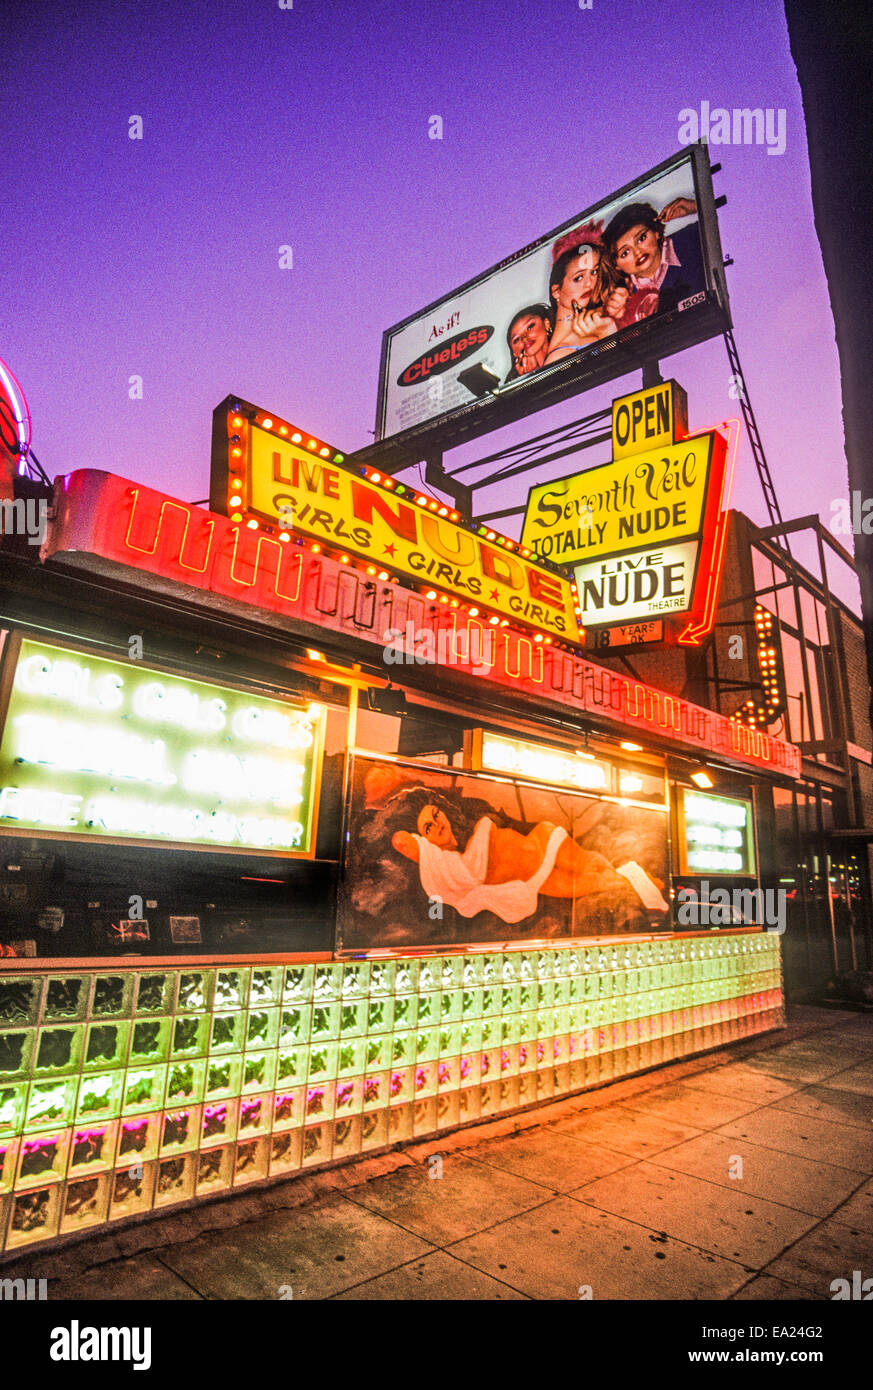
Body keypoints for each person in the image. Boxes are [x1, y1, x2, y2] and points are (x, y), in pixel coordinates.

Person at [390, 792, 669, 925]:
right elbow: (401, 841)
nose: (437, 824)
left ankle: (642, 877)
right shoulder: (445, 868)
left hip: (544, 842)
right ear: (423, 840)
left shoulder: (473, 822)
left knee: (590, 864)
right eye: (427, 827)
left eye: (436, 814)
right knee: (600, 884)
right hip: (533, 881)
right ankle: (639, 881)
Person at [602, 197, 703, 327]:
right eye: (625, 253)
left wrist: (696, 205)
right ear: (616, 265)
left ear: (656, 232)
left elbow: (728, 219)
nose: (637, 252)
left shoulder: (689, 239)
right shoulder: (620, 299)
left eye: (641, 238)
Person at [542, 226, 629, 365]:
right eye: (578, 277)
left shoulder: (604, 314)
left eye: (594, 272)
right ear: (556, 291)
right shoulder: (558, 359)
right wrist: (607, 332)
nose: (589, 283)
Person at [504, 304, 553, 381]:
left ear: (546, 324)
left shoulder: (568, 351)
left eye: (530, 327)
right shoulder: (512, 385)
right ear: (514, 353)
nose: (524, 338)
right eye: (516, 339)